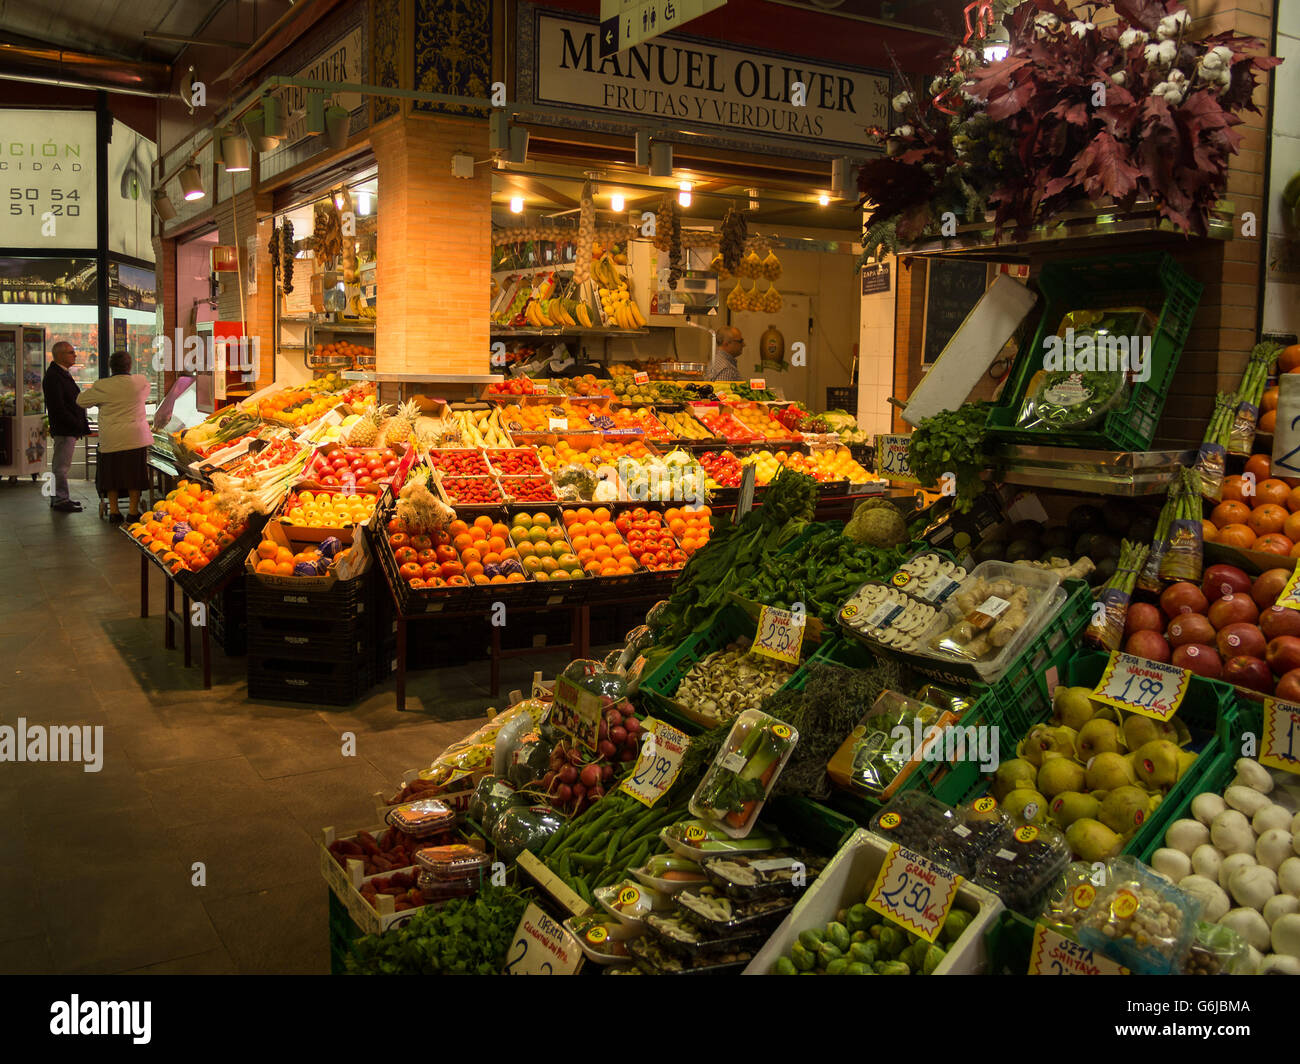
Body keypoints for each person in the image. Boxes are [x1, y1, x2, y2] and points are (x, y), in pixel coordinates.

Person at [77, 350, 152, 523]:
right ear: (130, 365)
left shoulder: (102, 386)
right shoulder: (140, 382)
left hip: (111, 438)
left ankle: (114, 512)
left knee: (112, 474)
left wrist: (100, 401)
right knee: (135, 475)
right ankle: (133, 512)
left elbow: (81, 401)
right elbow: (144, 395)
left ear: (111, 367)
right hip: (136, 437)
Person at [41, 340, 90, 513]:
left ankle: (61, 497)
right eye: (71, 352)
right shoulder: (54, 376)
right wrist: (76, 423)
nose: (75, 355)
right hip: (64, 428)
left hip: (67, 427)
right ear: (60, 355)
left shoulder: (60, 373)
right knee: (61, 467)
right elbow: (58, 407)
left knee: (62, 465)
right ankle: (60, 499)